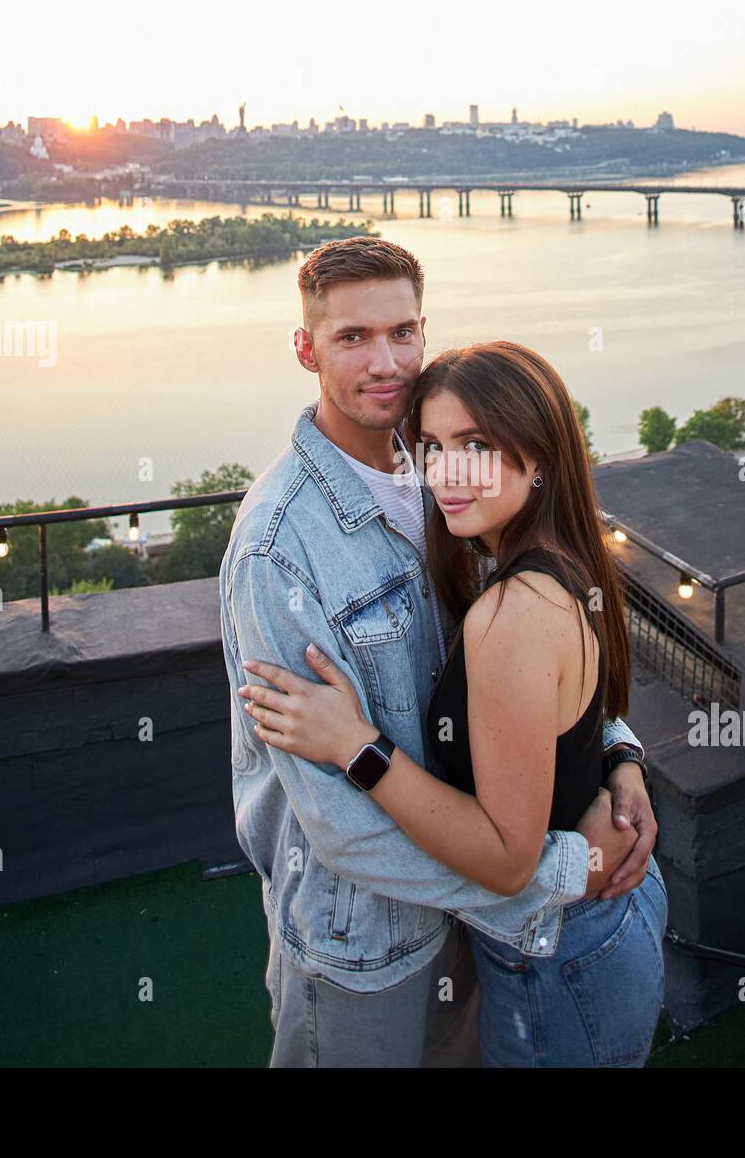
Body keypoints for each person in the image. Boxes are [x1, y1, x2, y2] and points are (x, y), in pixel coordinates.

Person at [219, 236, 658, 1067]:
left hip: (477, 917)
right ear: (306, 349)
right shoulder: (277, 549)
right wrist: (570, 864)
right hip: (368, 939)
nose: (385, 361)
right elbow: (338, 826)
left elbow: (537, 674)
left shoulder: (445, 473)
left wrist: (615, 755)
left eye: (403, 332)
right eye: (353, 338)